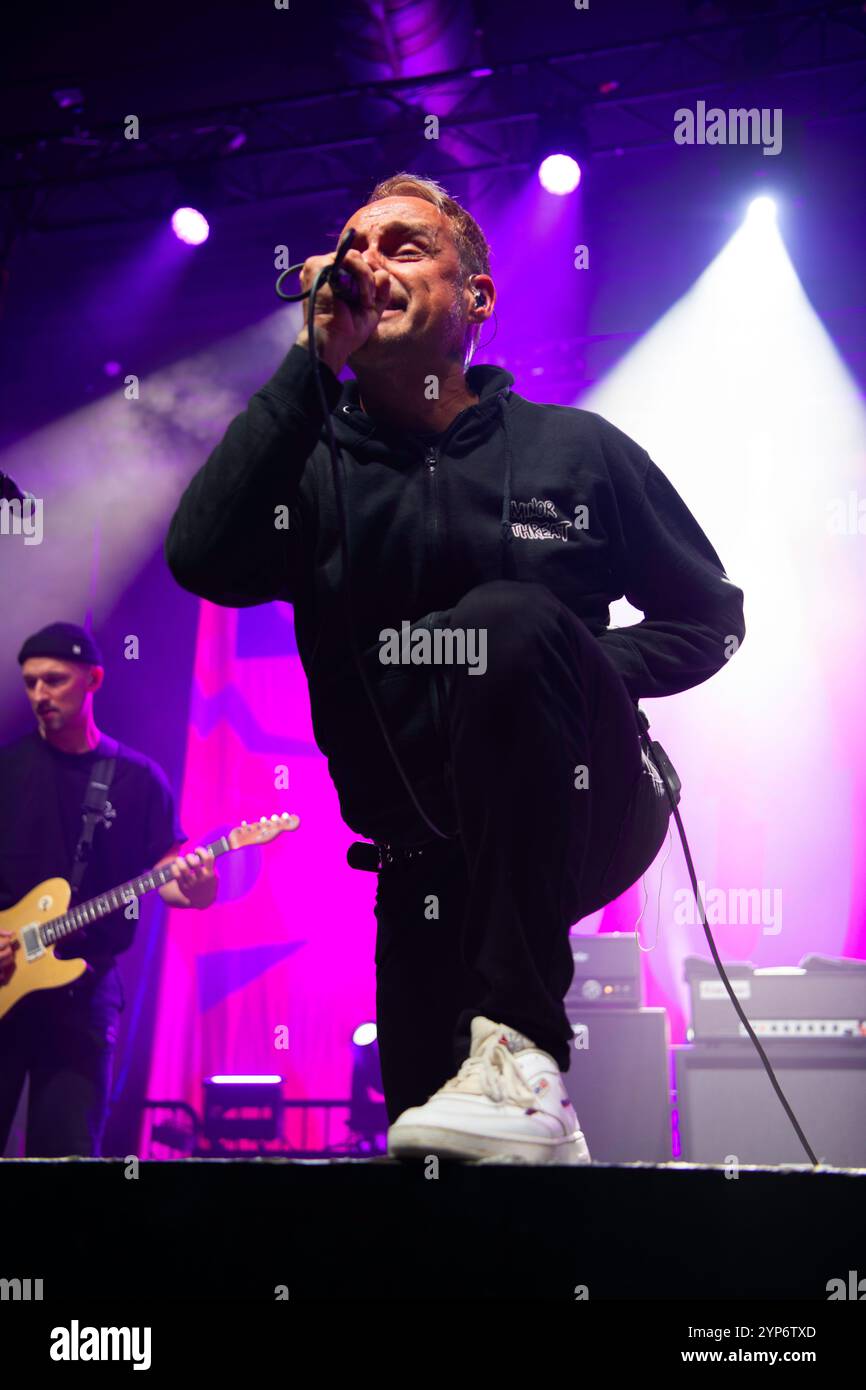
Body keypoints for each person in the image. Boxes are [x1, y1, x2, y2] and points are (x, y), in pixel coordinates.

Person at [165, 172, 745, 1165]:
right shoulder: (313, 474)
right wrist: (312, 363)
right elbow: (201, 558)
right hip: (420, 864)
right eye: (353, 246)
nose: (366, 263)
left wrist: (568, 672)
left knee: (507, 625)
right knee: (445, 1175)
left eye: (401, 245)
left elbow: (710, 617)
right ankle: (524, 1122)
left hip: (585, 806)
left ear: (474, 295)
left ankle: (521, 1044)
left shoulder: (577, 451)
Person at [0, 622, 218, 1157]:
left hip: (85, 994)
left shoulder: (137, 779)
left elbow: (169, 874)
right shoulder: (6, 770)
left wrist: (198, 889)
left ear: (94, 678)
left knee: (68, 1161)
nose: (39, 696)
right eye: (30, 683)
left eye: (53, 680)